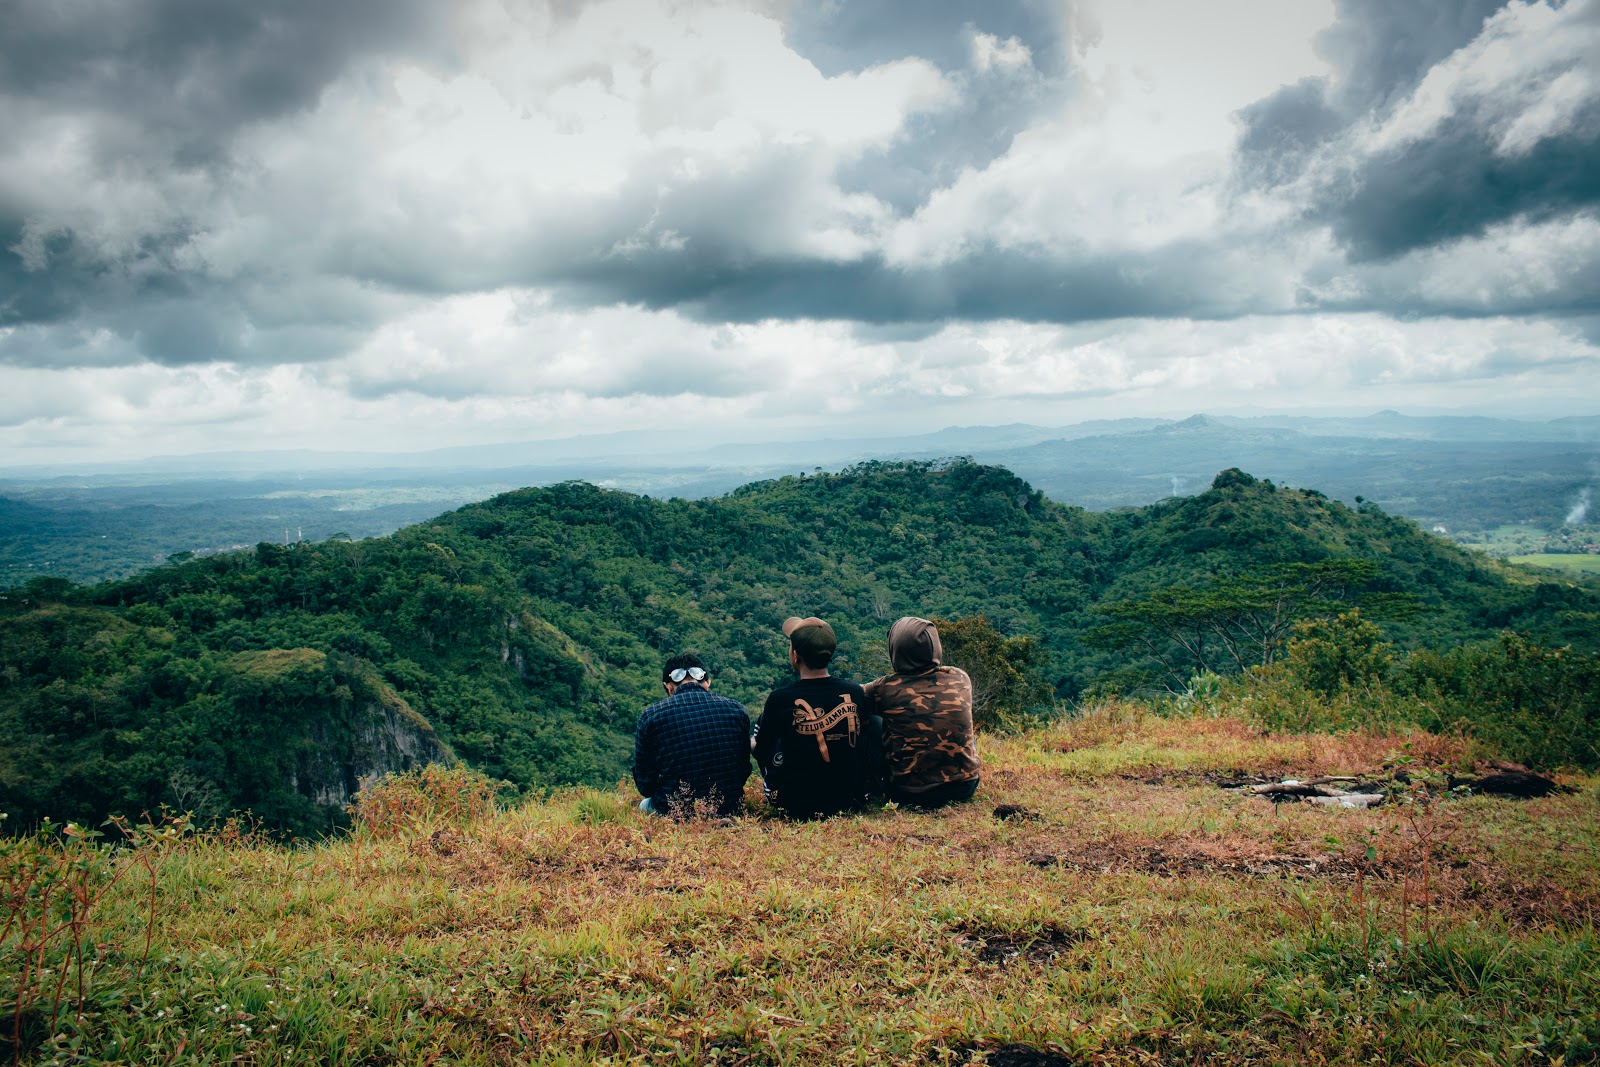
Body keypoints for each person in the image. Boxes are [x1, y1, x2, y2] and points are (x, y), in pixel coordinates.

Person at [753, 616, 873, 819]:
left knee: (761, 732)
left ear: (796, 655)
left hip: (796, 804)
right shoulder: (855, 692)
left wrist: (748, 743)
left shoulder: (779, 699)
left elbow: (762, 751)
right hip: (852, 799)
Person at [863, 616, 981, 808]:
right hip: (965, 787)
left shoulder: (883, 689)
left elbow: (850, 697)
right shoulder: (960, 677)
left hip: (909, 792)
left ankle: (872, 785)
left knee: (873, 721)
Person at [633, 653, 752, 816]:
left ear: (668, 687)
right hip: (729, 808)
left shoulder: (651, 716)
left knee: (644, 805)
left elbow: (645, 785)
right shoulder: (736, 710)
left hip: (674, 812)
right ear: (707, 682)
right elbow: (743, 769)